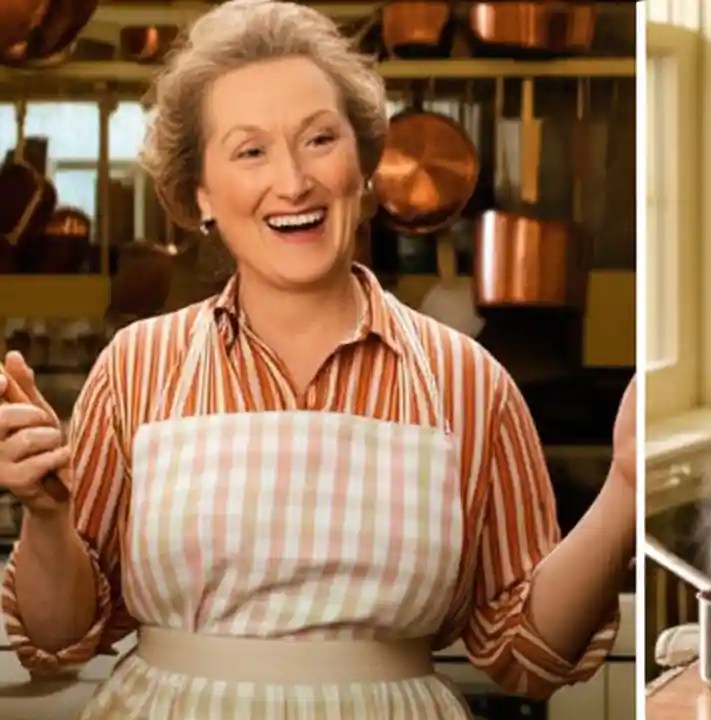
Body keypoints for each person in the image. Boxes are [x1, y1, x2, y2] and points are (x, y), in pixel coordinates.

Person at [0, 0, 636, 716]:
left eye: (319, 139)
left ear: (364, 167)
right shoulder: (137, 368)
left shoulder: (467, 381)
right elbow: (59, 639)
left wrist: (624, 488)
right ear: (201, 193)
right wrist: (47, 517)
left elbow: (530, 654)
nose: (294, 180)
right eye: (250, 151)